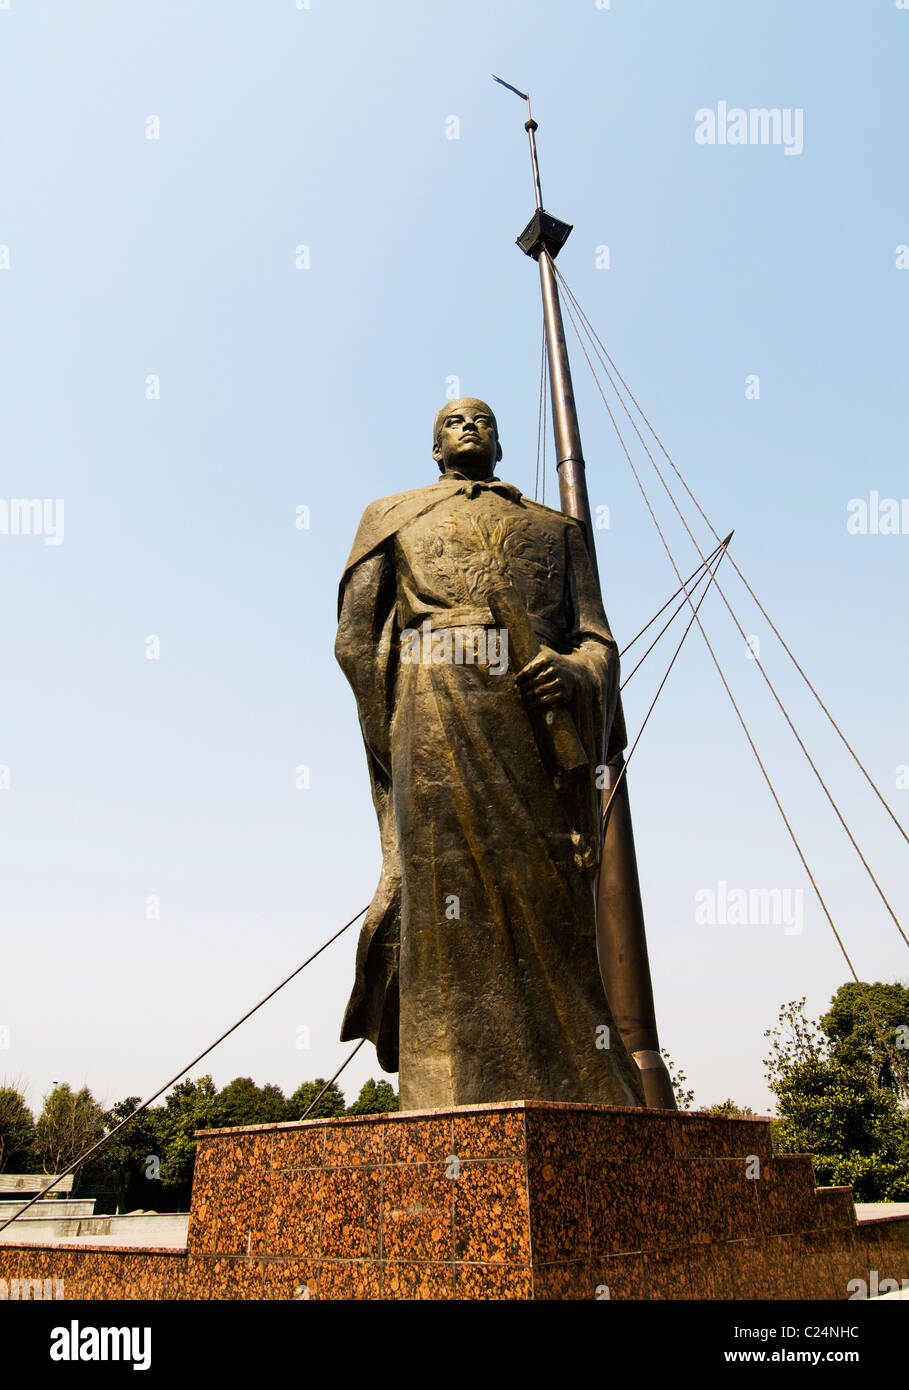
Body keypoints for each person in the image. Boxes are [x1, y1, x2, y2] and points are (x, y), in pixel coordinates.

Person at [335, 398, 644, 1110]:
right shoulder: (392, 517)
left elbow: (596, 638)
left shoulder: (556, 530)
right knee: (445, 892)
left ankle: (581, 1079)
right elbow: (356, 641)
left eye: (482, 420)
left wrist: (574, 673)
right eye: (452, 421)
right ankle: (445, 1084)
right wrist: (401, 735)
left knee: (552, 890)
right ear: (434, 446)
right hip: (437, 711)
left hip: (533, 720)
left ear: (501, 445)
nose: (468, 426)